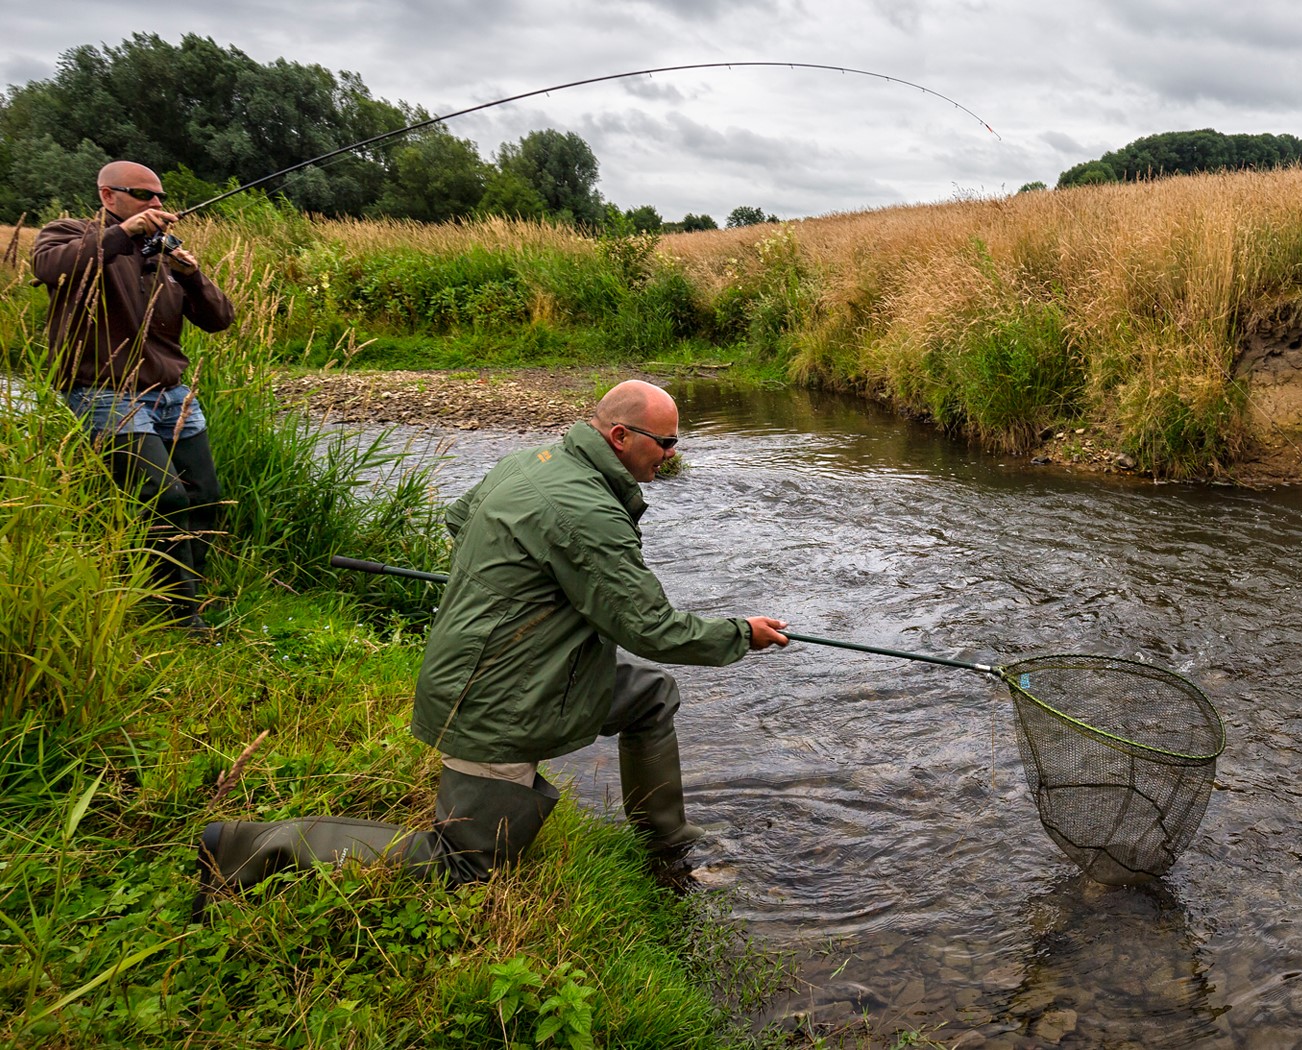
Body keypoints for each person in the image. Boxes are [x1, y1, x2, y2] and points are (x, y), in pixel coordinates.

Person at [195, 381, 789, 904]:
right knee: (467, 863)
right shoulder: (586, 509)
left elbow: (460, 518)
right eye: (666, 443)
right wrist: (744, 634)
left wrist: (528, 581)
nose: (672, 454)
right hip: (495, 692)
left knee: (649, 697)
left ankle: (664, 844)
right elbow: (650, 628)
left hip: (542, 670)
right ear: (618, 436)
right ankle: (248, 844)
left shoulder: (532, 461)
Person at [32, 161, 235, 629]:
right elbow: (50, 268)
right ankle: (180, 614)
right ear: (108, 196)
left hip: (170, 392)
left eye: (159, 197)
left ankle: (191, 591)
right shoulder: (68, 233)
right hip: (104, 391)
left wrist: (191, 274)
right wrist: (122, 232)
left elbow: (219, 319)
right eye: (144, 196)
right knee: (161, 496)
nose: (157, 206)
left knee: (204, 495)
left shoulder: (163, 251)